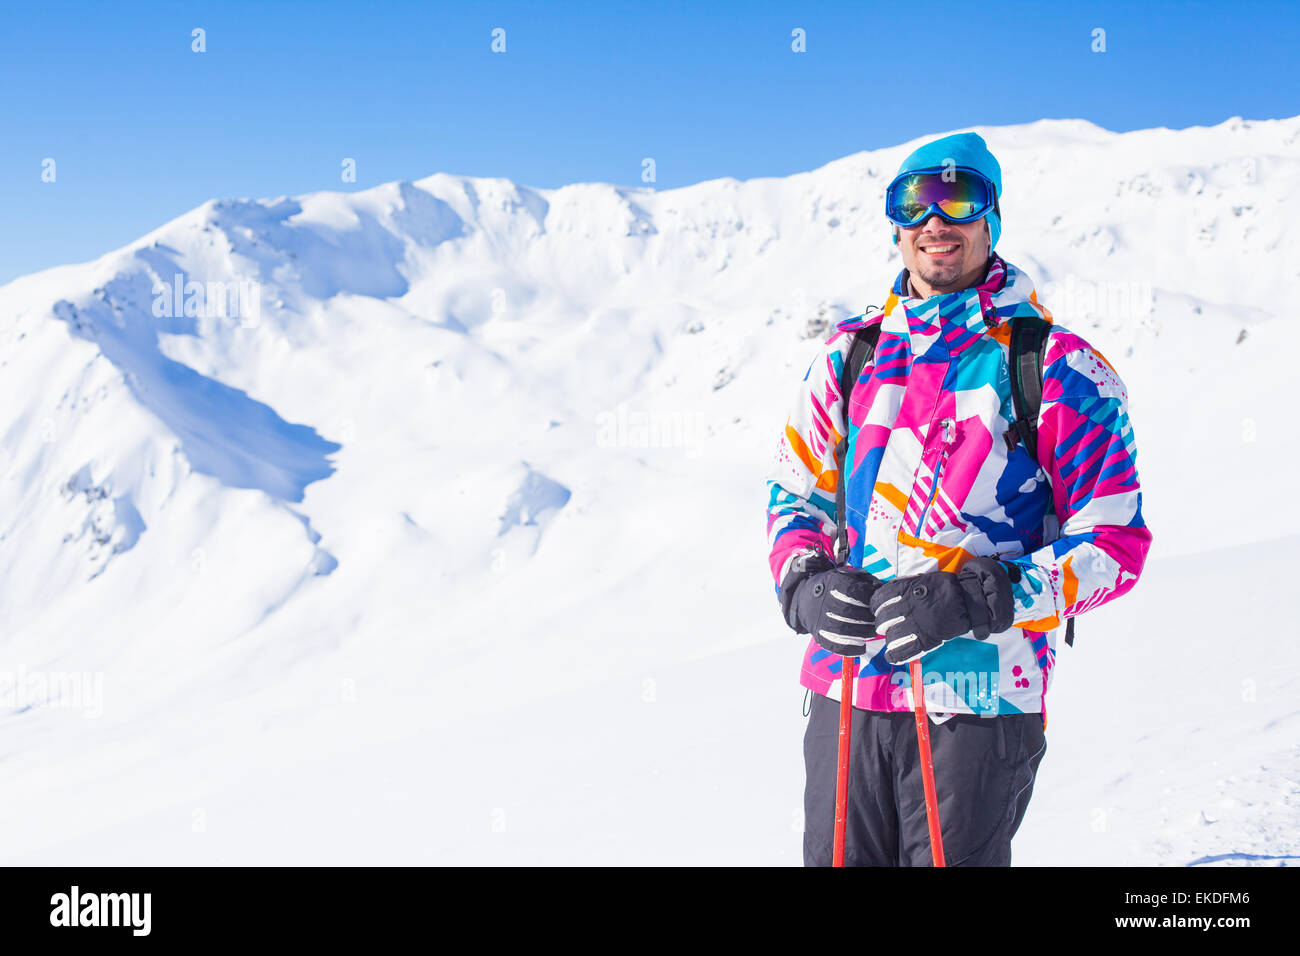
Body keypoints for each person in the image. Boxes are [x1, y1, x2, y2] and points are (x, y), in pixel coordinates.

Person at [765, 131, 1152, 866]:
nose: (935, 220)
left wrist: (978, 596)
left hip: (978, 701)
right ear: (896, 224)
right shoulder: (851, 355)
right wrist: (804, 584)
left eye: (959, 198)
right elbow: (794, 492)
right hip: (846, 695)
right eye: (914, 202)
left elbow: (1116, 545)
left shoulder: (1052, 365)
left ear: (990, 219)